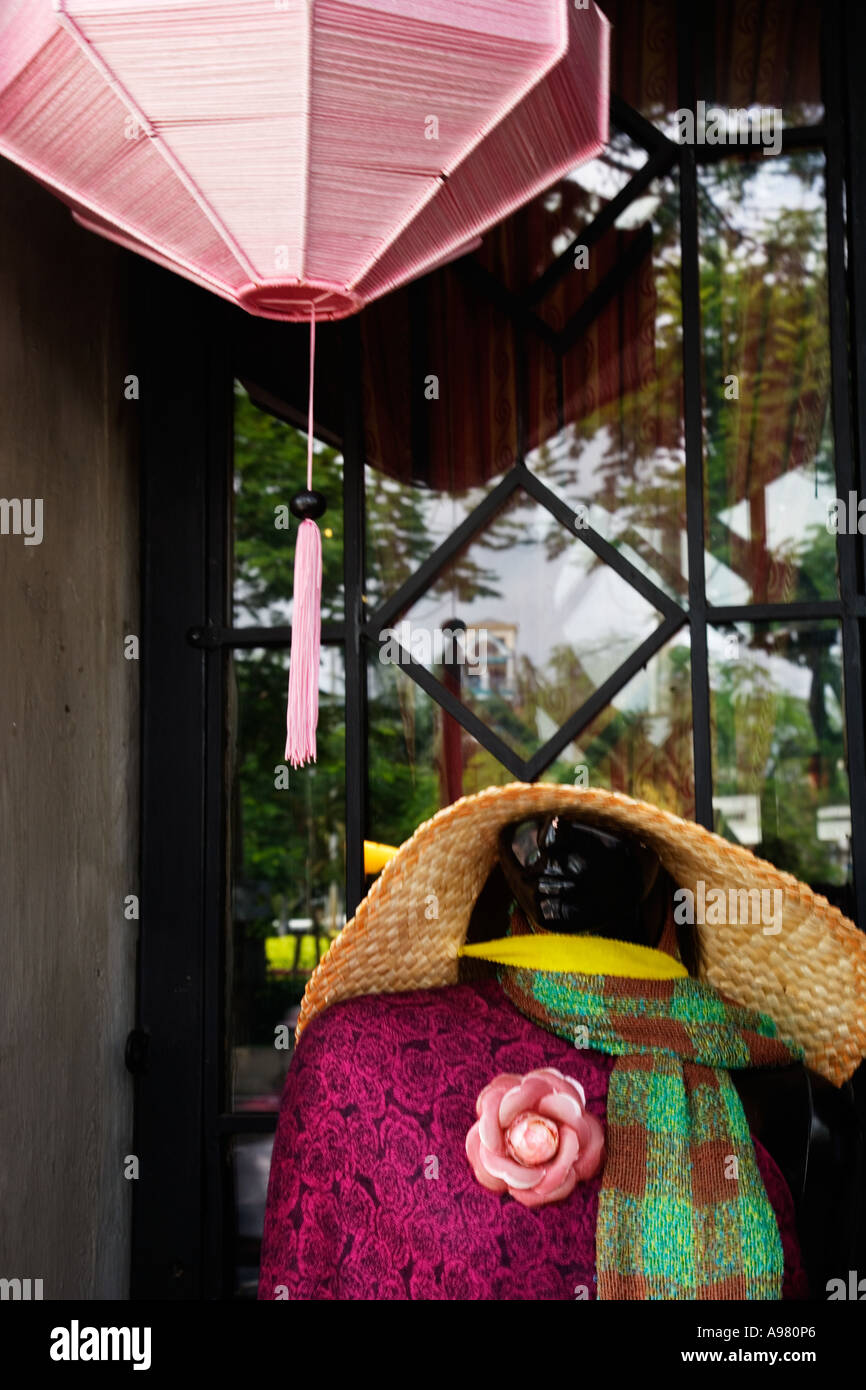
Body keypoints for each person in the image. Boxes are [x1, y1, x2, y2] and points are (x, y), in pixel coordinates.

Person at [259, 783, 866, 1300]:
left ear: (659, 867)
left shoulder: (779, 1085)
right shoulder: (362, 1058)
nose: (551, 850)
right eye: (528, 833)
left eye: (596, 832)